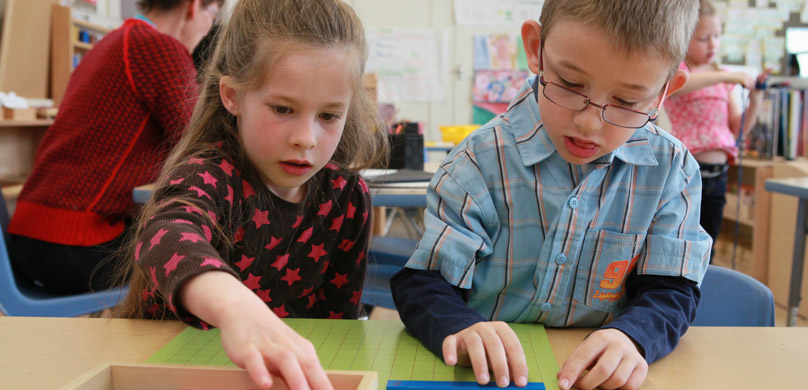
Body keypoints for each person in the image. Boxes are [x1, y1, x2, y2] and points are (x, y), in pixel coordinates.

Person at [390, 1, 712, 389]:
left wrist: (633, 336)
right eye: (571, 84)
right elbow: (425, 283)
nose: (589, 122)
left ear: (665, 91)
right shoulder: (477, 162)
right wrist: (461, 328)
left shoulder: (670, 169)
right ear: (536, 49)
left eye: (627, 102)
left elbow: (671, 288)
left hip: (593, 376)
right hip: (489, 376)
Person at [113, 0, 387, 389]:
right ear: (232, 96)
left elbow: (336, 331)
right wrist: (238, 310)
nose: (305, 138)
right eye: (282, 108)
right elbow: (167, 233)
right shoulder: (208, 176)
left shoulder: (347, 198)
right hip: (169, 371)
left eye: (328, 116)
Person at [8, 0, 222, 294]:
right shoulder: (158, 47)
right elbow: (201, 143)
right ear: (194, 5)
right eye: (213, 13)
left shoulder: (116, 40)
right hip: (71, 242)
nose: (210, 25)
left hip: (35, 237)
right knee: (200, 253)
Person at [664, 0, 769, 253]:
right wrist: (728, 76)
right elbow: (681, 85)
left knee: (706, 249)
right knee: (679, 247)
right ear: (685, 36)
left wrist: (755, 100)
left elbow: (738, 131)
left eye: (717, 36)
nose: (713, 44)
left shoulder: (721, 76)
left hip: (718, 177)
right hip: (686, 176)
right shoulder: (678, 71)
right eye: (703, 38)